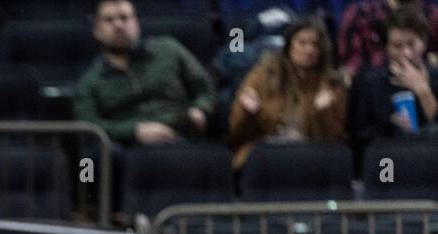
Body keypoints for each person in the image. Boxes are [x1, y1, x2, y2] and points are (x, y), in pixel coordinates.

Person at [73, 0, 216, 146]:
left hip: (181, 135)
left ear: (136, 24)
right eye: (109, 20)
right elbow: (89, 126)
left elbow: (206, 89)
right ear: (97, 30)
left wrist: (200, 108)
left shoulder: (169, 50)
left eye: (124, 17)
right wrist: (133, 131)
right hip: (128, 147)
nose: (118, 25)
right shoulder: (89, 81)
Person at [227, 15, 349, 171]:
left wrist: (320, 113)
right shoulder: (263, 75)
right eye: (302, 43)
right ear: (289, 45)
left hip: (312, 157)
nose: (309, 50)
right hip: (267, 154)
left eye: (315, 45)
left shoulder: (331, 83)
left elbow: (335, 139)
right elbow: (235, 133)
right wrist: (247, 113)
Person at [348, 4, 438, 144]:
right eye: (397, 46)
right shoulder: (369, 82)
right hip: (388, 161)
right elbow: (357, 136)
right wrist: (388, 129)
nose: (406, 53)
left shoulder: (436, 76)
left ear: (424, 42)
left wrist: (423, 91)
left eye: (411, 44)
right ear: (387, 47)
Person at [338, 0, 438, 77]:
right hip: (374, 93)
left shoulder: (433, 14)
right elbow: (350, 68)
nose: (406, 52)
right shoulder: (361, 13)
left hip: (425, 85)